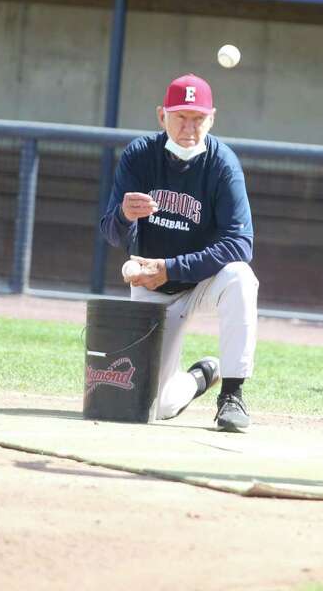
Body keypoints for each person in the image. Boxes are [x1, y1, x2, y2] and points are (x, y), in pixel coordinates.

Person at [99, 74, 258, 432]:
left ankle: (232, 395)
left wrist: (172, 268)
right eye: (181, 117)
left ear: (212, 119)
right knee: (156, 406)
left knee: (241, 278)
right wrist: (124, 216)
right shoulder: (140, 155)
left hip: (202, 282)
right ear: (162, 116)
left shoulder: (222, 163)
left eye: (198, 118)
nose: (189, 127)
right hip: (152, 287)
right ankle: (203, 375)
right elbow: (111, 233)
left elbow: (240, 244)